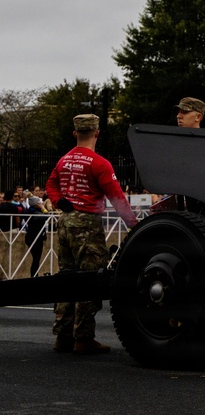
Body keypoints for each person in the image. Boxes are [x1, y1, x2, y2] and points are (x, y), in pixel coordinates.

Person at [46, 114, 139, 355]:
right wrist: (134, 225)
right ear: (97, 133)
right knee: (89, 280)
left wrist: (59, 201)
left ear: (75, 133)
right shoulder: (99, 163)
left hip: (65, 222)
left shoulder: (64, 160)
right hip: (87, 224)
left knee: (66, 277)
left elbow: (51, 185)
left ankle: (63, 335)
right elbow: (117, 198)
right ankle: (83, 337)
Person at [24, 194, 49, 276]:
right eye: (39, 203)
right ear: (36, 204)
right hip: (33, 236)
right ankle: (34, 275)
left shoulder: (34, 210)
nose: (41, 204)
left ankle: (35, 274)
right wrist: (43, 208)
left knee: (37, 259)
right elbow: (47, 217)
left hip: (38, 236)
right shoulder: (32, 211)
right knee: (36, 258)